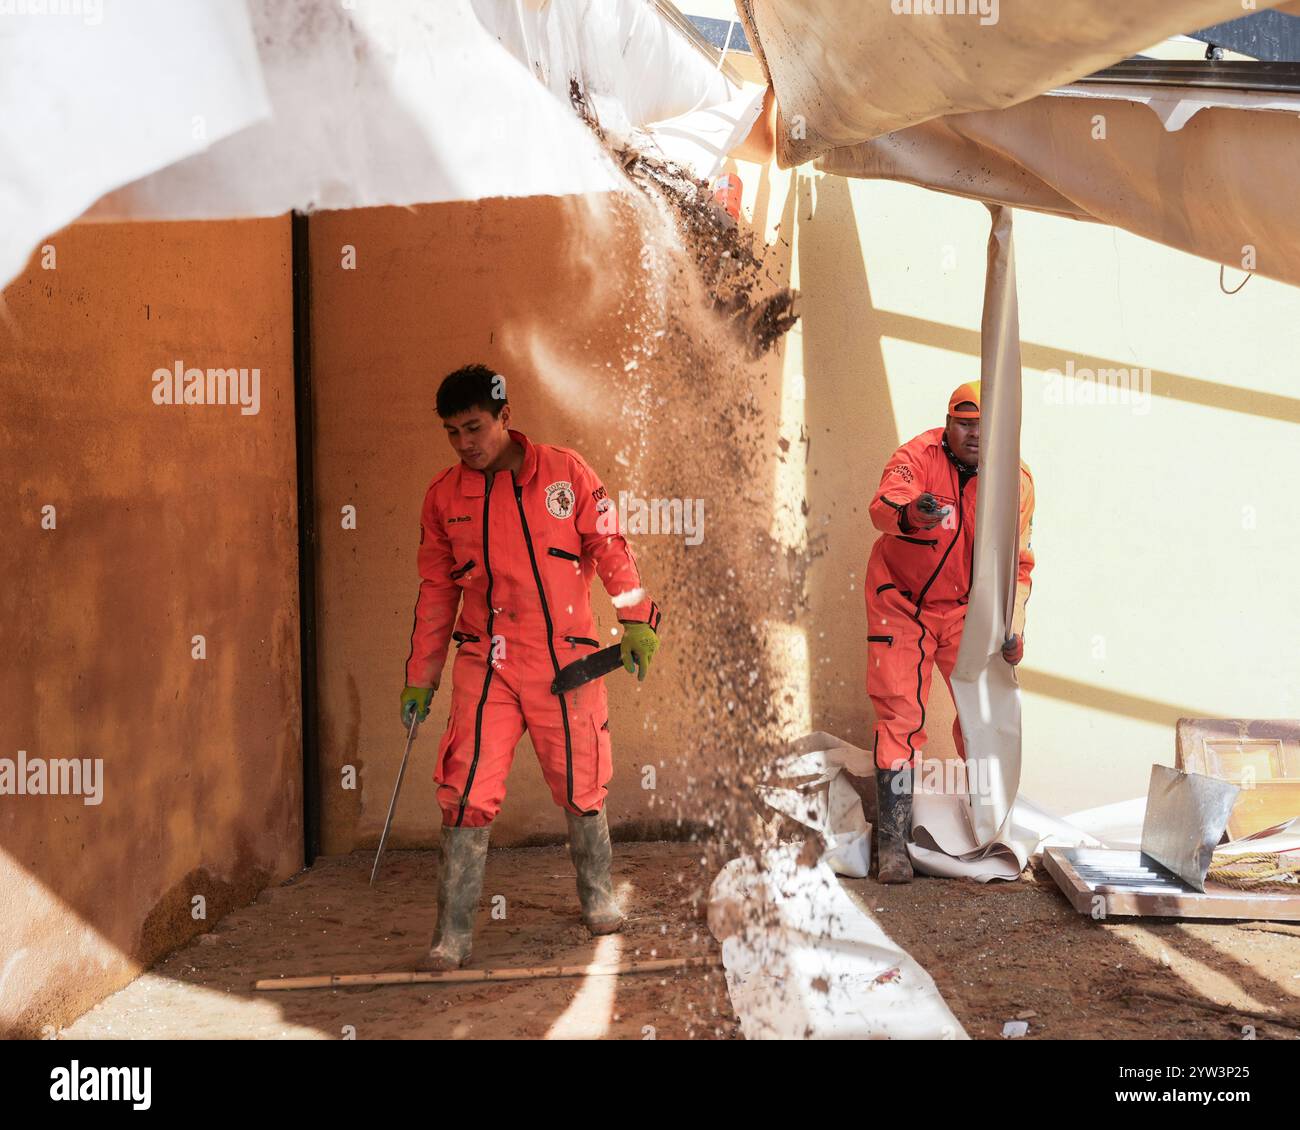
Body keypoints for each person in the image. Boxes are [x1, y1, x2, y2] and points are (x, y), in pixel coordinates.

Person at [401, 364, 661, 968]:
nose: (465, 443)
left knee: (581, 781)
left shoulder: (566, 473)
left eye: (473, 427)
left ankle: (597, 898)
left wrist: (639, 617)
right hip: (486, 659)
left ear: (504, 417)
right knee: (464, 785)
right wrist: (420, 676)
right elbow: (436, 591)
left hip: (565, 661)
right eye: (452, 433)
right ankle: (453, 933)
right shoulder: (444, 497)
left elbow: (610, 548)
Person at [864, 381, 1034, 883]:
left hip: (965, 609)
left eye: (985, 426)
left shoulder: (1016, 482)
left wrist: (1013, 624)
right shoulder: (916, 456)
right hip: (901, 602)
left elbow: (1019, 565)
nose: (975, 434)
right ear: (948, 424)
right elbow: (883, 507)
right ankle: (891, 845)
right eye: (964, 424)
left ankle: (988, 829)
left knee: (985, 716)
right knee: (901, 713)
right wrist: (911, 515)